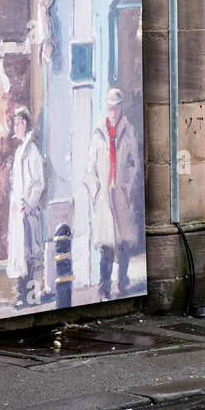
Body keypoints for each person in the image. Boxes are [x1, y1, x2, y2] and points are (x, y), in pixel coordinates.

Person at [85, 88, 140, 300]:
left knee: (123, 243)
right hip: (105, 199)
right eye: (110, 108)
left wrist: (127, 186)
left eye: (116, 108)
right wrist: (96, 190)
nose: (113, 112)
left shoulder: (129, 131)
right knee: (106, 246)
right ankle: (104, 287)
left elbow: (135, 164)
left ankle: (123, 281)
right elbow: (89, 169)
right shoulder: (98, 133)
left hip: (121, 196)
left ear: (121, 108)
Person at [6, 107, 45, 308]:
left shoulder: (32, 151)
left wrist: (27, 204)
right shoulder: (21, 149)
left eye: (17, 122)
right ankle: (22, 296)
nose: (15, 126)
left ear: (24, 124)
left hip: (27, 213)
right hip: (18, 212)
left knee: (29, 256)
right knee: (21, 255)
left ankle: (29, 297)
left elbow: (39, 183)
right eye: (14, 122)